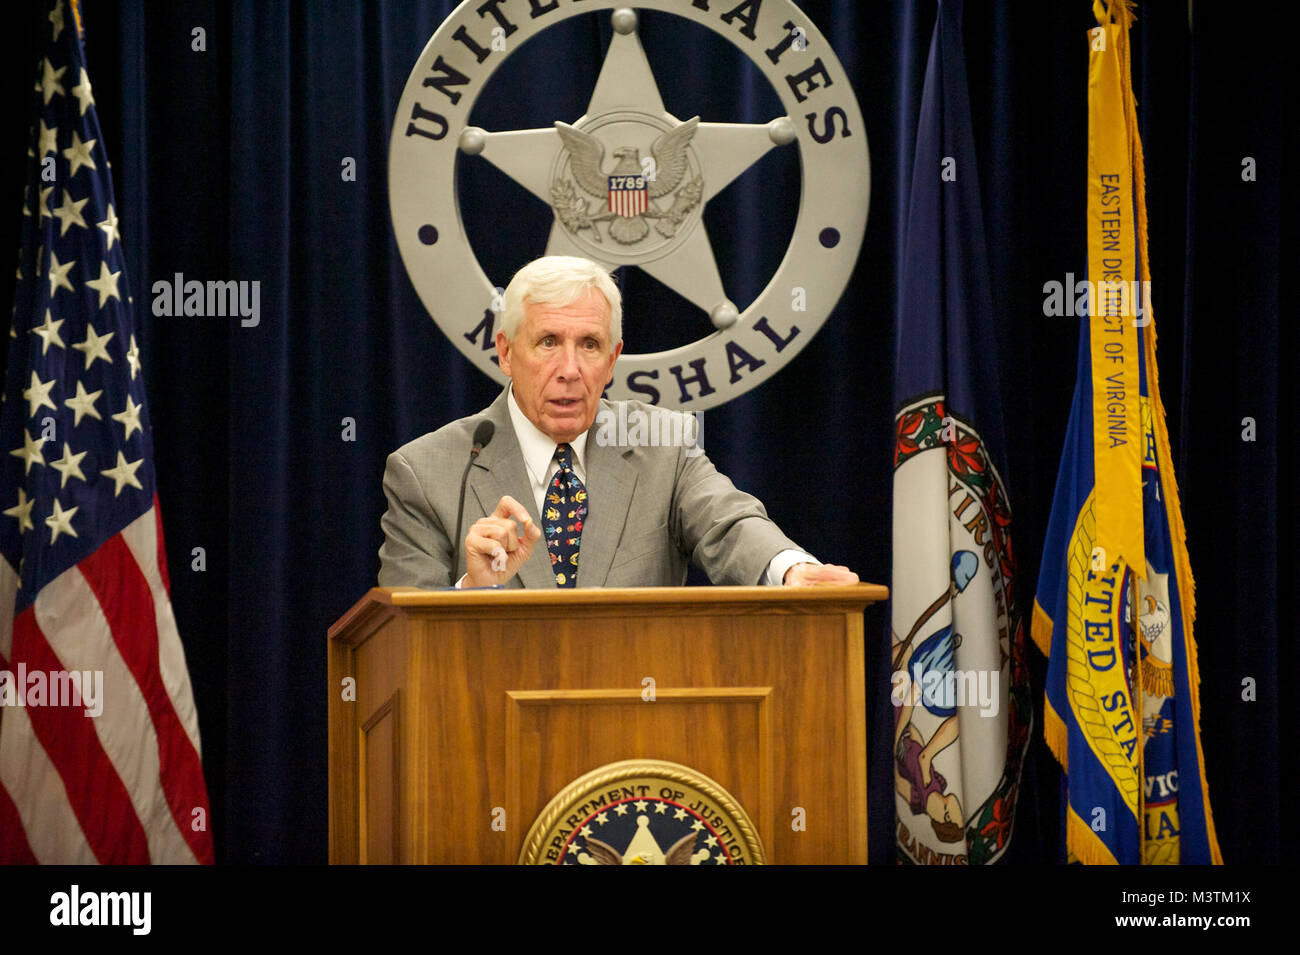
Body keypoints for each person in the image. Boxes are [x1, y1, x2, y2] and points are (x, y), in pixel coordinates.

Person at [378, 255, 858, 590]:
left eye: (589, 345)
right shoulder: (427, 472)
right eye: (547, 342)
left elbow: (728, 524)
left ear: (612, 360)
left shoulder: (662, 446)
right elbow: (399, 638)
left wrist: (790, 569)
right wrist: (473, 589)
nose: (570, 369)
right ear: (505, 352)